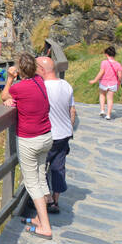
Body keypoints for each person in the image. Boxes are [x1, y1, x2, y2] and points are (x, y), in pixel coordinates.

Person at [2, 52, 54, 239]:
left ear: (20, 70)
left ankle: (45, 227)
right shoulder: (39, 81)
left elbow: (4, 95)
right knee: (40, 175)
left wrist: (10, 78)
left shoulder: (19, 88)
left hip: (30, 140)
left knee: (32, 183)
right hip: (46, 136)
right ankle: (40, 218)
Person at [38, 55, 76, 216]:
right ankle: (56, 200)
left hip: (48, 134)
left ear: (42, 70)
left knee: (39, 168)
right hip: (64, 134)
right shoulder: (66, 85)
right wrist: (69, 128)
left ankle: (47, 200)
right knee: (58, 167)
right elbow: (72, 110)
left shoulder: (41, 87)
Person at [88, 45, 122, 120]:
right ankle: (108, 115)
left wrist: (95, 80)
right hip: (113, 83)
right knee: (110, 99)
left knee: (102, 95)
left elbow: (101, 72)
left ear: (106, 54)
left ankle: (102, 110)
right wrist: (119, 83)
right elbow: (120, 76)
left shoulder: (104, 62)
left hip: (103, 82)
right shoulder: (118, 64)